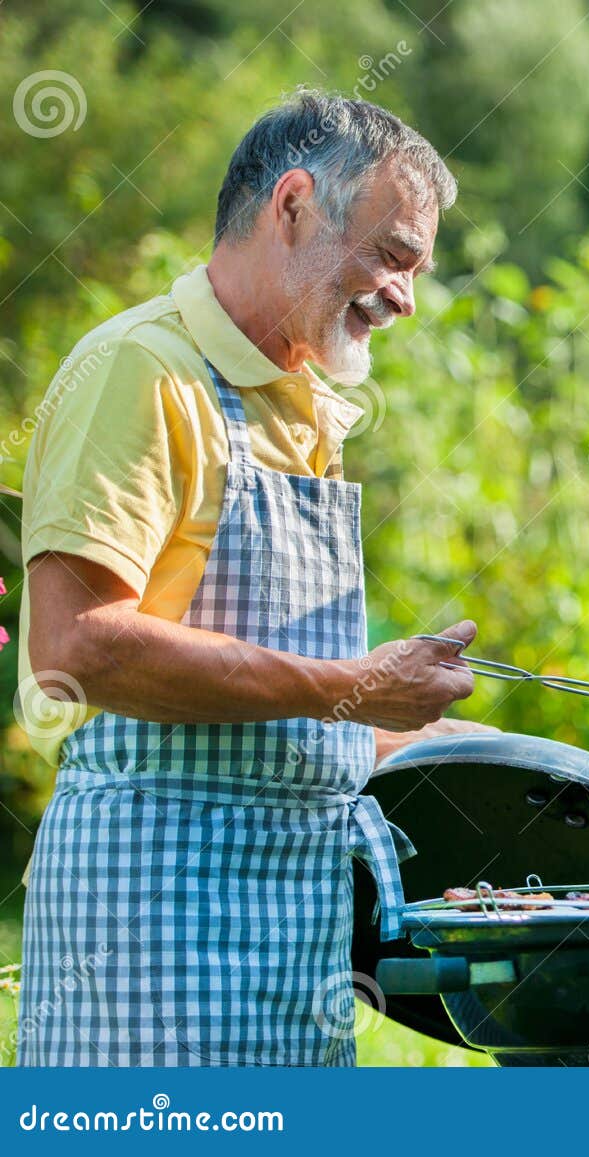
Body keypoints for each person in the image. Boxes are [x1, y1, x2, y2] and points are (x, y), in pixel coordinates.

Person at [17, 92, 488, 1066]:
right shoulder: (142, 370)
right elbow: (76, 646)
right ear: (294, 205)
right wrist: (353, 686)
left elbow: (268, 708)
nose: (406, 296)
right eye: (393, 254)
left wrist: (436, 741)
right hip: (147, 927)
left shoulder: (298, 400)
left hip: (291, 932)